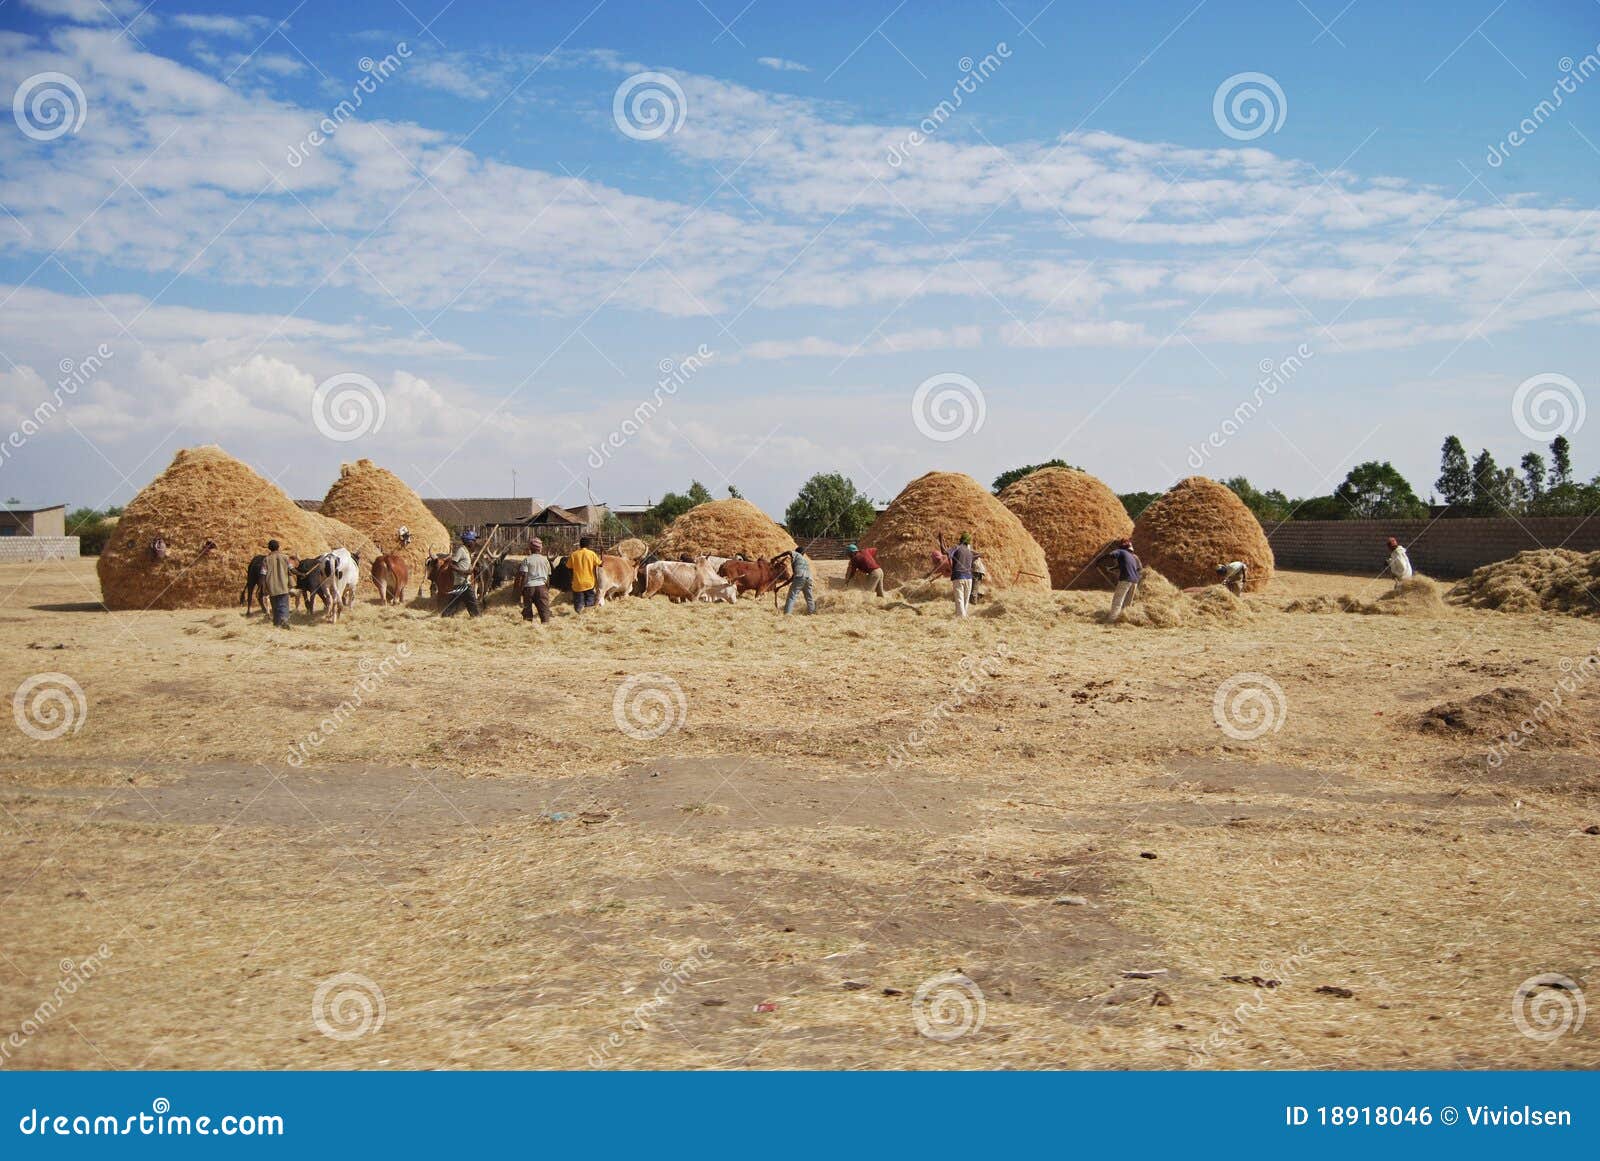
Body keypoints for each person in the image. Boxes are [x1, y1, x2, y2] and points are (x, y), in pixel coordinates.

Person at [442, 530, 482, 618]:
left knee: (453, 604)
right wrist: (465, 572)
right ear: (469, 541)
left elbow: (464, 565)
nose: (475, 543)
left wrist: (474, 568)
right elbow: (451, 565)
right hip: (462, 582)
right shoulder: (461, 550)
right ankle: (477, 618)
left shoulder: (467, 552)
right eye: (474, 541)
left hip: (462, 583)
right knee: (473, 604)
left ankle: (445, 617)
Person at [1104, 537, 1142, 623]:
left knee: (1118, 599)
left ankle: (1111, 620)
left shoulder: (1121, 551)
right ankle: (1125, 619)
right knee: (1128, 602)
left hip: (1126, 579)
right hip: (1135, 581)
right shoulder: (1133, 556)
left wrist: (1103, 558)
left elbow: (1112, 555)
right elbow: (1137, 568)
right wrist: (1111, 568)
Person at [939, 532, 977, 617]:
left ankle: (961, 619)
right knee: (965, 600)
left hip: (958, 576)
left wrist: (940, 539)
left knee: (959, 599)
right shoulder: (969, 551)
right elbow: (976, 557)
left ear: (960, 540)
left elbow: (943, 551)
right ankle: (964, 616)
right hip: (969, 578)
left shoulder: (956, 548)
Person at [518, 537, 552, 624]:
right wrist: (547, 588)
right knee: (544, 611)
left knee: (527, 611)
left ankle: (528, 626)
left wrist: (521, 589)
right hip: (542, 587)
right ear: (540, 548)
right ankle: (545, 626)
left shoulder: (527, 560)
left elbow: (524, 576)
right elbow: (548, 577)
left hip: (529, 588)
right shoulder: (545, 560)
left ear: (530, 548)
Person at [567, 536, 603, 614]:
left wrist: (572, 579)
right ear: (589, 545)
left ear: (580, 545)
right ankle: (588, 615)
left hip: (577, 584)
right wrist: (602, 555)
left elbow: (569, 568)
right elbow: (600, 564)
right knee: (590, 602)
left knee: (578, 604)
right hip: (589, 583)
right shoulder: (591, 554)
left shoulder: (574, 554)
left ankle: (578, 614)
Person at [263, 538, 294, 628]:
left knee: (275, 606)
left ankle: (276, 624)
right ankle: (284, 620)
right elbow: (292, 569)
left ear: (269, 548)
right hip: (283, 586)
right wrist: (302, 574)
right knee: (283, 605)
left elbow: (263, 575)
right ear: (278, 547)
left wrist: (264, 587)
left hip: (272, 587)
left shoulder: (266, 560)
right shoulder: (285, 557)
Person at [780, 548, 816, 614]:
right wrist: (780, 587)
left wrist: (776, 557)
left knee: (792, 596)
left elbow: (788, 551)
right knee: (809, 597)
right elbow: (793, 578)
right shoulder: (804, 560)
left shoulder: (797, 555)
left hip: (800, 576)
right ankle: (812, 613)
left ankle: (787, 614)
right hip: (809, 578)